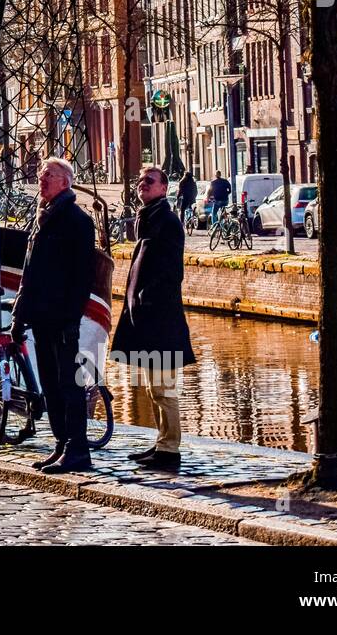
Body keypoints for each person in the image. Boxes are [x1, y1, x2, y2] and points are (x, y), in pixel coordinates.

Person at [10, 156, 97, 473]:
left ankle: (77, 450)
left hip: (61, 319)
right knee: (49, 384)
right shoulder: (42, 218)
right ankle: (61, 444)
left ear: (66, 181)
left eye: (49, 174)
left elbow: (81, 278)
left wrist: (71, 319)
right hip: (41, 317)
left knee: (68, 386)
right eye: (40, 173)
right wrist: (19, 318)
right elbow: (28, 274)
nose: (42, 178)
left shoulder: (77, 221)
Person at [112, 166, 196, 471]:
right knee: (152, 388)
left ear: (163, 188)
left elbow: (171, 273)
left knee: (163, 388)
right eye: (139, 180)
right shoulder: (149, 218)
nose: (141, 184)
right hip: (149, 319)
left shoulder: (166, 222)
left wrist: (147, 299)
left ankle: (170, 449)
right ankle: (162, 442)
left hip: (160, 320)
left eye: (149, 181)